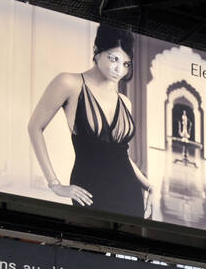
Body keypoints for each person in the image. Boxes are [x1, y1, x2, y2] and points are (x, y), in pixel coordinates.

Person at [28, 24, 153, 219]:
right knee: (90, 244)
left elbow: (120, 153)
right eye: (114, 59)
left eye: (126, 63)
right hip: (90, 190)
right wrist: (55, 184)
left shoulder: (124, 102)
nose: (119, 69)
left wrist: (148, 184)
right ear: (96, 51)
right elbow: (35, 127)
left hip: (129, 192)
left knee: (127, 246)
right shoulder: (69, 83)